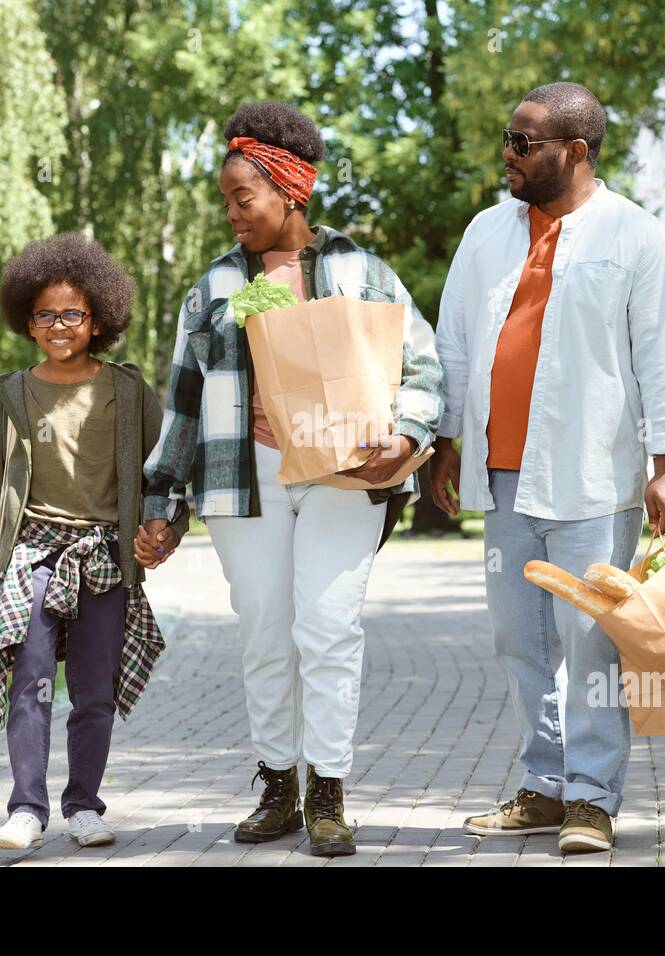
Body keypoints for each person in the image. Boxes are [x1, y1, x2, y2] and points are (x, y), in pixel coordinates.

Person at [139, 100, 443, 857]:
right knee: (267, 634)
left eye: (244, 198)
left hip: (344, 475)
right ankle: (278, 784)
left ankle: (329, 793)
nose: (233, 214)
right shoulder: (213, 286)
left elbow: (425, 368)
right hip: (247, 479)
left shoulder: (364, 272)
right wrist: (162, 506)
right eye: (226, 202)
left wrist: (406, 433)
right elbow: (182, 400)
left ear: (288, 188)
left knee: (330, 629)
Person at [430, 82, 665, 853]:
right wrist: (445, 441)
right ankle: (544, 786)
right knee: (520, 641)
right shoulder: (486, 232)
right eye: (508, 140)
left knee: (591, 644)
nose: (507, 156)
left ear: (574, 152)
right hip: (501, 477)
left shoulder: (638, 237)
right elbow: (452, 344)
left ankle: (591, 798)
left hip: (593, 476)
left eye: (523, 143)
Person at [0, 232, 190, 850]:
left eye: (72, 312)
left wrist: (168, 529)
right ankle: (25, 809)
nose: (58, 325)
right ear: (28, 320)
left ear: (98, 317)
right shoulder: (10, 395)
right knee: (31, 679)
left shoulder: (127, 392)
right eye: (45, 314)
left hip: (102, 556)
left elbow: (167, 471)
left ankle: (84, 806)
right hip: (32, 555)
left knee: (94, 691)